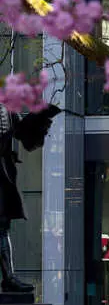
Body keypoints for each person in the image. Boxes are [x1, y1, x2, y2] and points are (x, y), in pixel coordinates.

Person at [0, 103, 59, 292]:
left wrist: (40, 116)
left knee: (2, 225)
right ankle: (8, 277)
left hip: (3, 172)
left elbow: (24, 136)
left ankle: (9, 277)